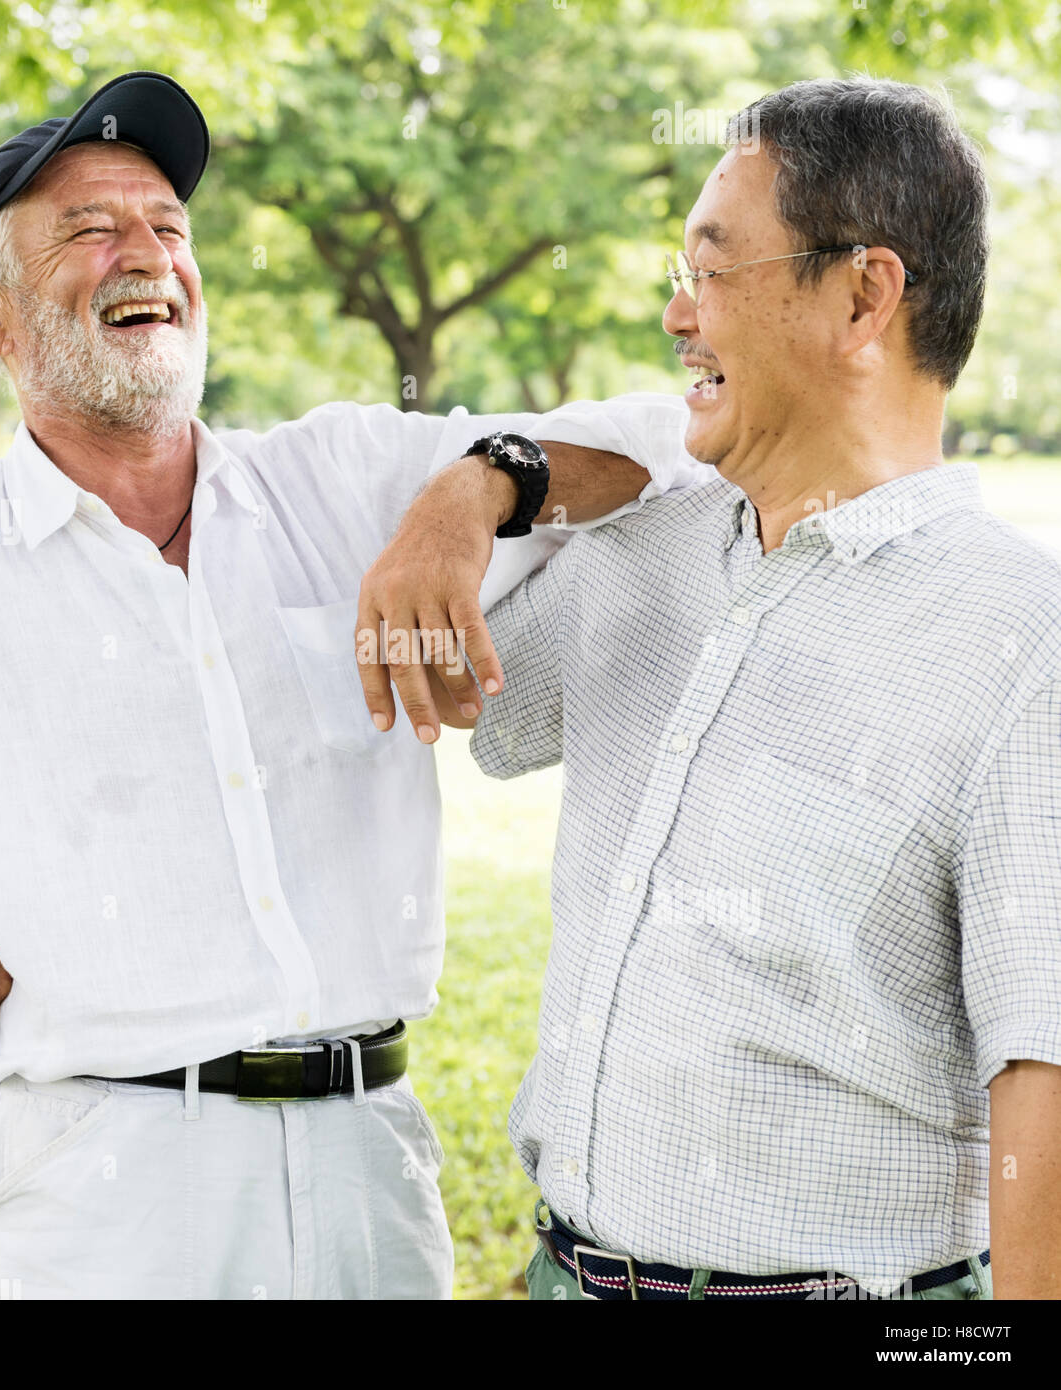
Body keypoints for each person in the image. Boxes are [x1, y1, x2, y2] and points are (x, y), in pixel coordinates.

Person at [0, 70, 709, 1299]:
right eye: (88, 229)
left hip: (373, 1173)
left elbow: (677, 444)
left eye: (168, 226)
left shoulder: (342, 478)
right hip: (100, 1199)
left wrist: (477, 488)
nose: (145, 255)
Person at [410, 75, 1061, 1300]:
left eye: (711, 269)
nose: (676, 313)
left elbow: (1045, 1073)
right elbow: (445, 686)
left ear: (862, 295)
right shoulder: (644, 550)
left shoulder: (1024, 637)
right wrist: (475, 483)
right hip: (561, 1274)